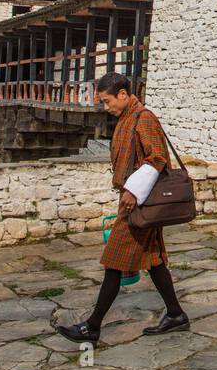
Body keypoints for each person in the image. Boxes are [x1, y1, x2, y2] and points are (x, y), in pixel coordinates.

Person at [57, 72, 188, 343]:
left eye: (107, 101)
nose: (106, 108)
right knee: (154, 261)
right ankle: (176, 314)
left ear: (123, 95)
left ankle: (92, 326)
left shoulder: (144, 118)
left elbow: (157, 157)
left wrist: (132, 190)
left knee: (114, 262)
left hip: (138, 202)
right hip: (135, 201)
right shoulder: (127, 118)